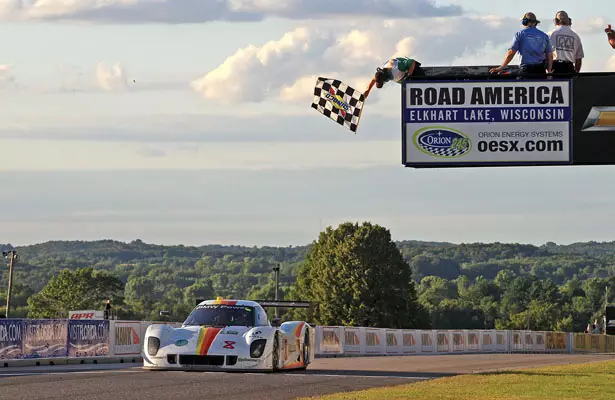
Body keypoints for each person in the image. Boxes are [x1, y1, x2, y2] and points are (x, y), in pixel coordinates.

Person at [490, 12, 553, 78]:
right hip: (540, 71)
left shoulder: (520, 34)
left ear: (524, 22)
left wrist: (501, 67)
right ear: (536, 22)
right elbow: (549, 55)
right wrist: (549, 71)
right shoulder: (544, 36)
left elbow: (511, 52)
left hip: (526, 70)